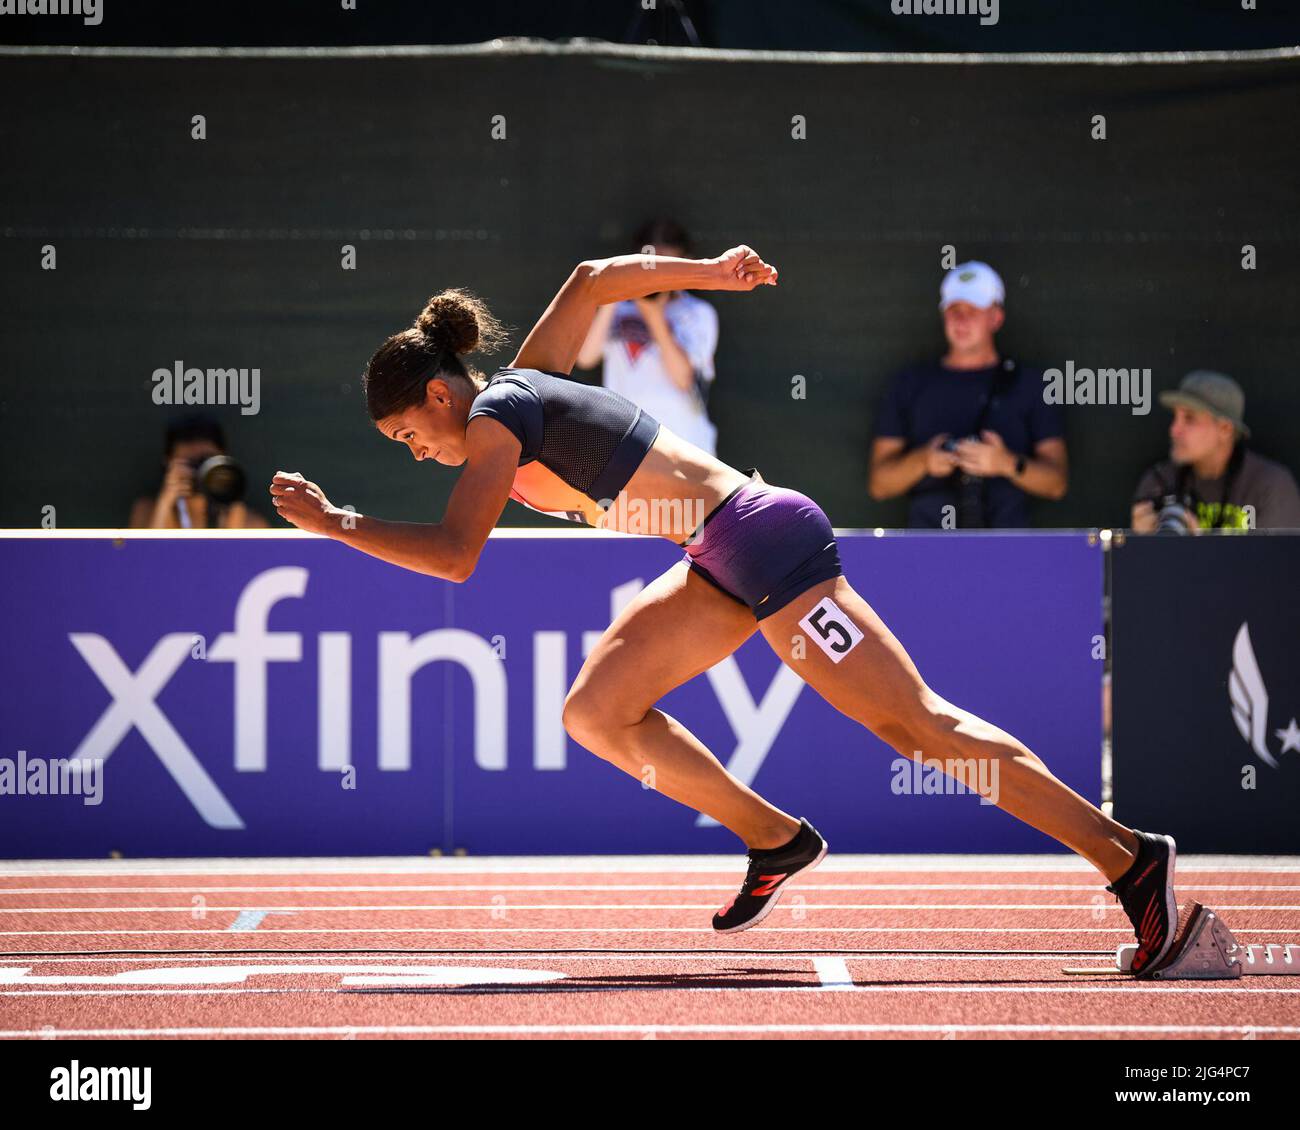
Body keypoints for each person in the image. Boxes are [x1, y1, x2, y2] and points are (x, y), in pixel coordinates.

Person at [270, 245, 1177, 974]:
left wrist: (335, 523)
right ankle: (774, 838)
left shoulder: (496, 421)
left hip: (764, 538)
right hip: (712, 558)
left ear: (439, 395)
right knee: (595, 712)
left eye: (408, 436)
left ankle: (1127, 857)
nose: (418, 452)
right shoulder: (522, 387)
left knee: (919, 728)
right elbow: (591, 280)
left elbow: (457, 557)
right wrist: (710, 273)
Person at [869, 261, 1068, 527]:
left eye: (972, 310)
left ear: (996, 317)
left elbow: (1056, 483)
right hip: (928, 546)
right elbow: (879, 484)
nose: (961, 320)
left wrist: (1004, 463)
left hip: (1008, 547)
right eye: (954, 310)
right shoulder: (909, 383)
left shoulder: (1029, 384)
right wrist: (925, 460)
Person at [575, 218, 720, 454]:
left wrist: (654, 315)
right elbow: (586, 358)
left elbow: (683, 379)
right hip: (627, 443)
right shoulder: (618, 308)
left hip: (685, 444)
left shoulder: (698, 313)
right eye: (653, 266)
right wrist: (615, 293)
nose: (659, 278)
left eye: (669, 268)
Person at [1131, 370, 1300, 533]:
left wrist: (1199, 546)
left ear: (1225, 429)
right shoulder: (1160, 483)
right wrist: (1141, 544)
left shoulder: (1270, 486)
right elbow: (1139, 560)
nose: (1174, 430)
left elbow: (1275, 560)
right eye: (1175, 417)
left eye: (1189, 418)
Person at [130, 414, 267, 529]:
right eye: (190, 463)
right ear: (168, 463)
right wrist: (166, 502)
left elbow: (241, 558)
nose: (200, 471)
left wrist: (232, 510)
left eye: (207, 461)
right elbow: (149, 556)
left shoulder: (253, 524)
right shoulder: (146, 511)